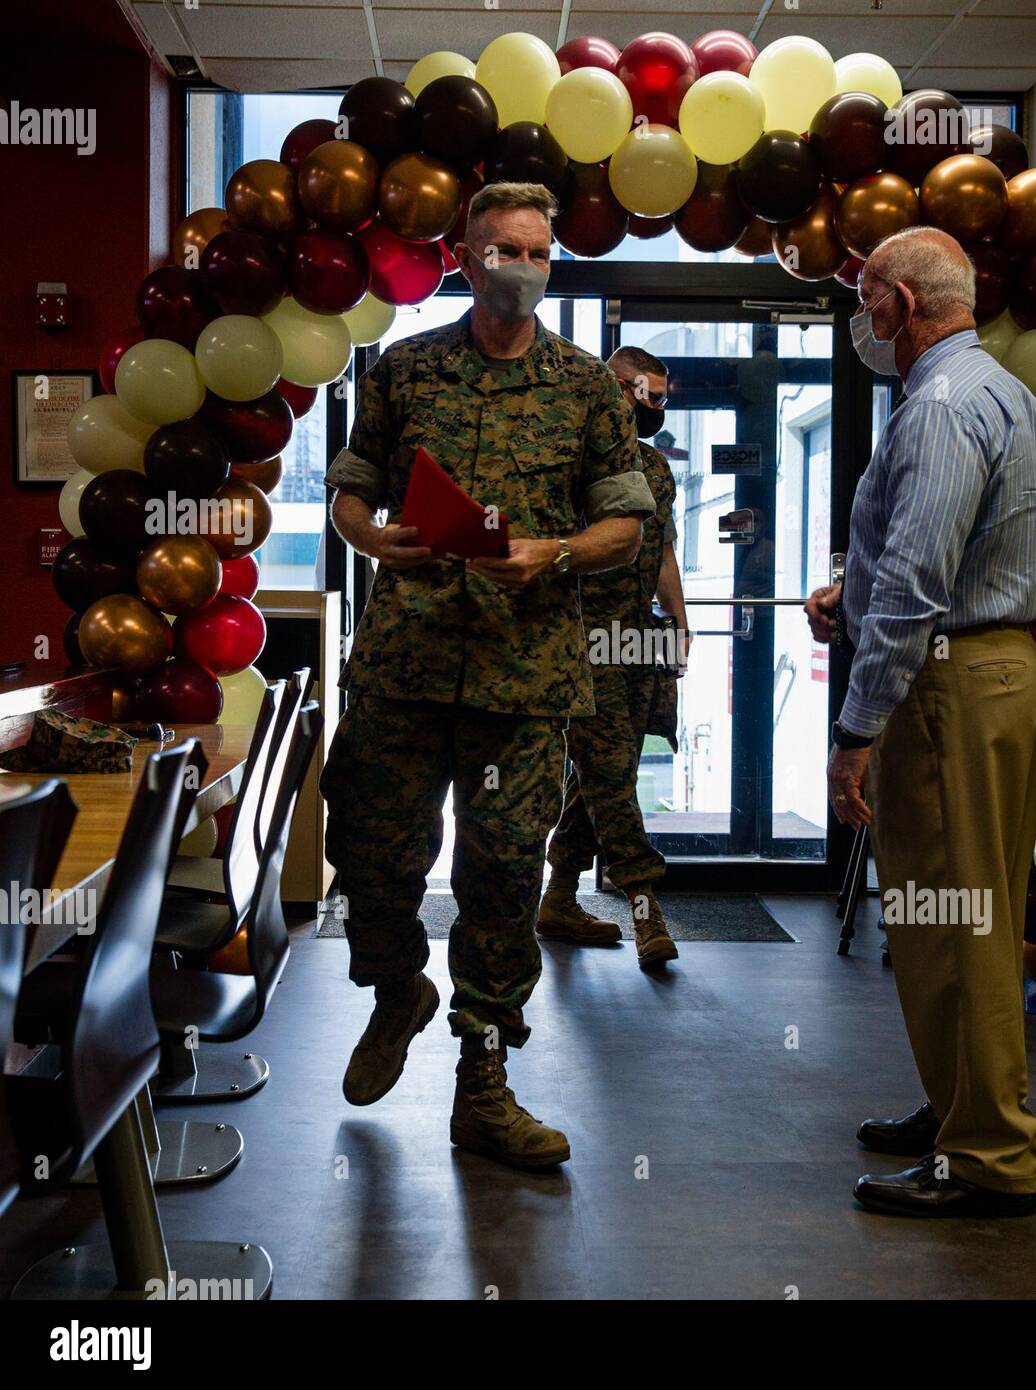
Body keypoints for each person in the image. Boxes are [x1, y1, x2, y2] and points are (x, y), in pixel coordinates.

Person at [321, 181, 656, 1170]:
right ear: (464, 258)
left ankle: (483, 1080)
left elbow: (626, 524)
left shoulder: (587, 385)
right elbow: (349, 490)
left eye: (537, 252)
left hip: (524, 677)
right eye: (501, 249)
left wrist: (551, 551)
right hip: (405, 661)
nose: (520, 266)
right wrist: (373, 536)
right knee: (371, 852)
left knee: (502, 876)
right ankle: (395, 987)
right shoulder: (403, 370)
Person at [806, 226, 1036, 1217]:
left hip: (951, 682)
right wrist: (849, 595)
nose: (862, 320)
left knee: (953, 921)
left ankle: (987, 1154)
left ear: (901, 305)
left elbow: (916, 580)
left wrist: (854, 730)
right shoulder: (1005, 391)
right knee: (966, 910)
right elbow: (950, 553)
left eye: (867, 300)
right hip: (995, 669)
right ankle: (961, 1104)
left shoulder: (939, 406)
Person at [538, 346, 689, 969]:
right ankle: (643, 901)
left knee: (609, 772)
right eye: (650, 395)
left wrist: (680, 624)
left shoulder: (655, 469)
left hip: (635, 643)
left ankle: (557, 898)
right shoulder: (568, 462)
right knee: (606, 770)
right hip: (576, 643)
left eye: (663, 398)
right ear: (618, 387)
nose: (656, 408)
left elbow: (663, 555)